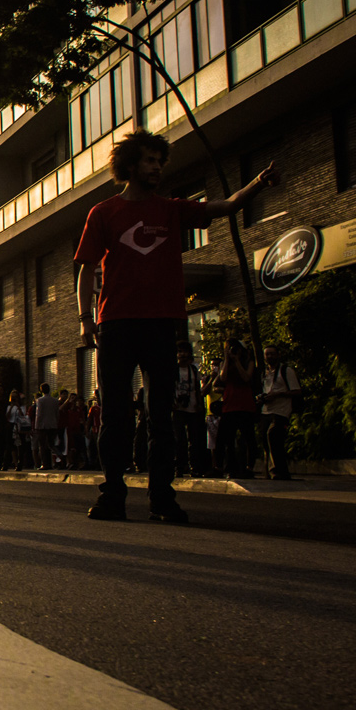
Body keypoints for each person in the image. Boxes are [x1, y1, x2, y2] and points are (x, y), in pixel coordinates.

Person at [75, 131, 275, 522]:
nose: (157, 168)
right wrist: (86, 321)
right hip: (115, 325)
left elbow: (229, 206)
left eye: (160, 162)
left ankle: (161, 499)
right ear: (130, 165)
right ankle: (112, 495)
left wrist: (257, 183)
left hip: (162, 325)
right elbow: (85, 270)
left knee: (160, 416)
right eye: (150, 160)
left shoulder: (171, 209)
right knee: (116, 415)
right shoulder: (103, 213)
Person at [257, 343, 302, 482]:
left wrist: (278, 394)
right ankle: (270, 471)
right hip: (266, 411)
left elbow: (297, 391)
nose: (269, 356)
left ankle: (279, 471)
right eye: (267, 354)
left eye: (272, 354)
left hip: (281, 411)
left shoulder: (286, 371)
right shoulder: (264, 372)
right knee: (266, 441)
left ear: (278, 355)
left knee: (274, 436)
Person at [215, 339, 259, 480]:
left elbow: (246, 377)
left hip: (245, 405)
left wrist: (238, 361)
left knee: (248, 438)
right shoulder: (225, 363)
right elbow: (223, 377)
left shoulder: (248, 363)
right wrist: (227, 359)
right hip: (229, 405)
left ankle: (249, 467)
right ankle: (228, 467)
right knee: (226, 439)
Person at [173, 345, 209, 477]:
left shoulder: (193, 370)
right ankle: (180, 466)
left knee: (194, 439)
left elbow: (198, 389)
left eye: (184, 352)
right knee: (179, 439)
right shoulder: (172, 370)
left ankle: (195, 466)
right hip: (177, 409)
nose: (182, 355)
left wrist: (200, 404)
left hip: (193, 408)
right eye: (179, 351)